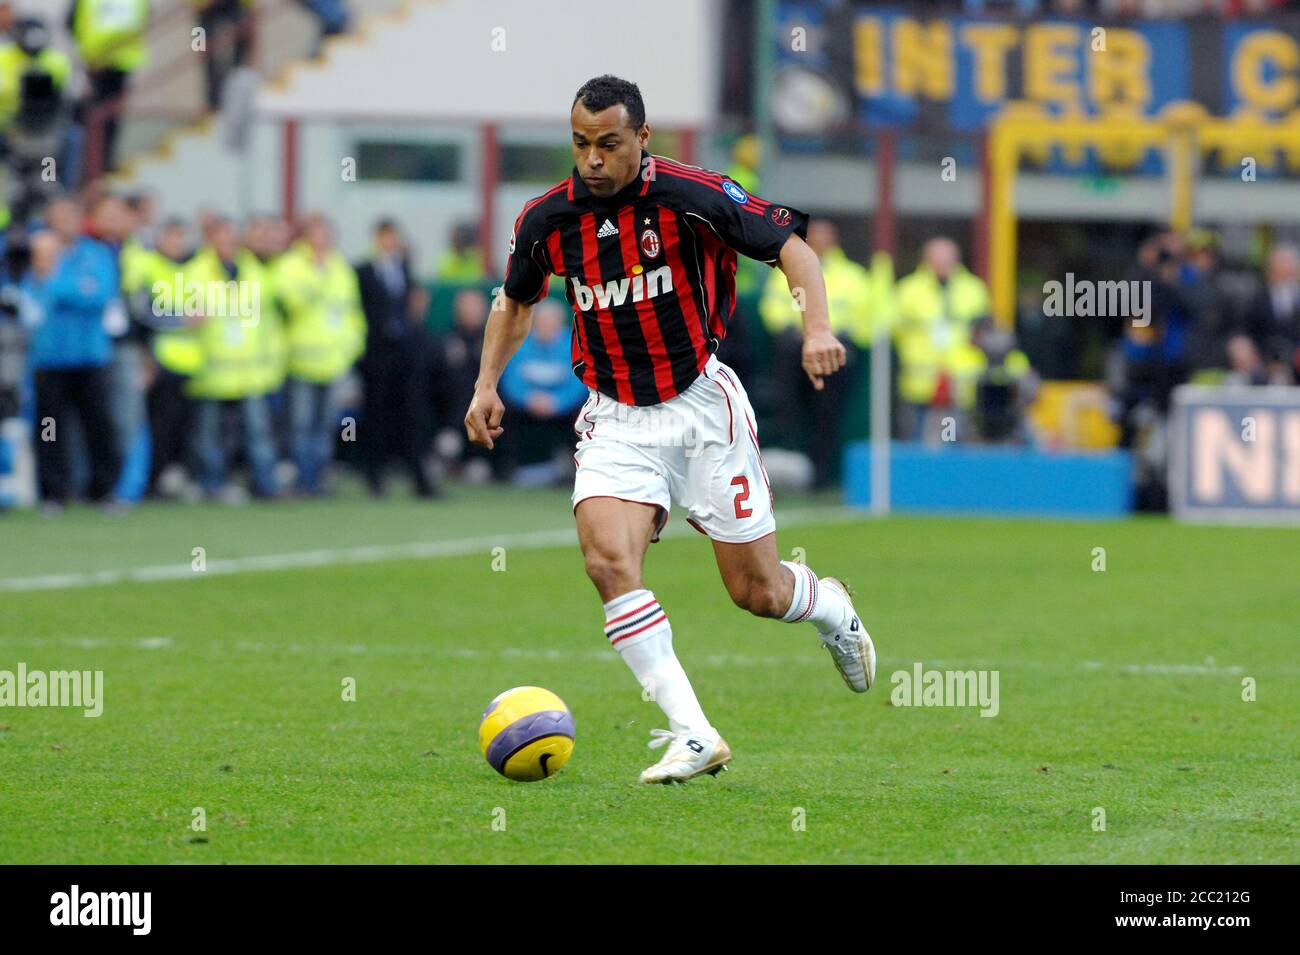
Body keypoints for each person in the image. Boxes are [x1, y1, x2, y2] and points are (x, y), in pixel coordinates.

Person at [463, 75, 876, 785]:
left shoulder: (695, 195)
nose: (592, 159)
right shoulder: (546, 219)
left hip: (700, 409)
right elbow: (517, 301)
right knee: (607, 562)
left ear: (642, 139)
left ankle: (831, 606)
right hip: (615, 417)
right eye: (581, 143)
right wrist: (485, 383)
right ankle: (693, 731)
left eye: (609, 144)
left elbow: (793, 250)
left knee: (759, 593)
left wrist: (817, 329)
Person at [759, 218, 876, 486]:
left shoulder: (853, 276)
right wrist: (793, 331)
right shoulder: (786, 268)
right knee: (787, 412)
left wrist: (838, 335)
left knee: (826, 416)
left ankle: (821, 477)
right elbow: (773, 307)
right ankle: (787, 474)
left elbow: (866, 316)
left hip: (832, 354)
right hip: (794, 351)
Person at [23, 226, 121, 508]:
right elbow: (30, 307)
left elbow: (100, 295)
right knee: (49, 428)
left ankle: (103, 491)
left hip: (89, 358)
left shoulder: (92, 256)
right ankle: (53, 492)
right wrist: (68, 287)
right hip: (49, 361)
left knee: (98, 425)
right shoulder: (31, 267)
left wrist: (56, 283)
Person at [187, 217, 279, 500]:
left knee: (256, 430)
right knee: (208, 432)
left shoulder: (253, 270)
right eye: (220, 237)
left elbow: (266, 319)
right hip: (212, 366)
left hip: (249, 367)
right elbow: (189, 320)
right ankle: (212, 483)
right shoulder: (196, 272)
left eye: (230, 236)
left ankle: (265, 484)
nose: (226, 243)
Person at [274, 214, 365, 495]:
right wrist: (316, 275)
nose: (322, 240)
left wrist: (351, 347)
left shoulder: (341, 268)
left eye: (326, 234)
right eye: (317, 234)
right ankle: (302, 477)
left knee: (326, 425)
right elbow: (292, 302)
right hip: (301, 361)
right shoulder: (290, 265)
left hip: (333, 362)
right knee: (300, 424)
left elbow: (351, 312)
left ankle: (320, 477)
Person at [355, 218, 437, 497]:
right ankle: (374, 477)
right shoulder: (363, 271)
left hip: (404, 354)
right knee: (376, 416)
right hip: (377, 356)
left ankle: (418, 478)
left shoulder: (404, 267)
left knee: (410, 415)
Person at [893, 237, 990, 442]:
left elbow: (982, 333)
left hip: (960, 381)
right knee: (916, 438)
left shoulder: (973, 289)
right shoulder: (908, 290)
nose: (943, 265)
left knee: (953, 438)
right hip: (919, 381)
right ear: (925, 260)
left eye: (948, 259)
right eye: (937, 259)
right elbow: (896, 331)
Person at [497, 297, 589, 485]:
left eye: (550, 322)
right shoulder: (520, 344)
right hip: (527, 406)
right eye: (541, 322)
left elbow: (580, 383)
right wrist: (528, 399)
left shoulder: (575, 345)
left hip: (563, 408)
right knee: (502, 412)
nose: (545, 327)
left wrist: (556, 402)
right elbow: (510, 380)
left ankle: (577, 468)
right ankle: (507, 467)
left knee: (584, 415)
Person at [68, 0, 150, 173]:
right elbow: (71, 21)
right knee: (92, 113)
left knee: (110, 114)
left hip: (121, 62)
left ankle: (104, 164)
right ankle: (89, 168)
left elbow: (144, 19)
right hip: (94, 62)